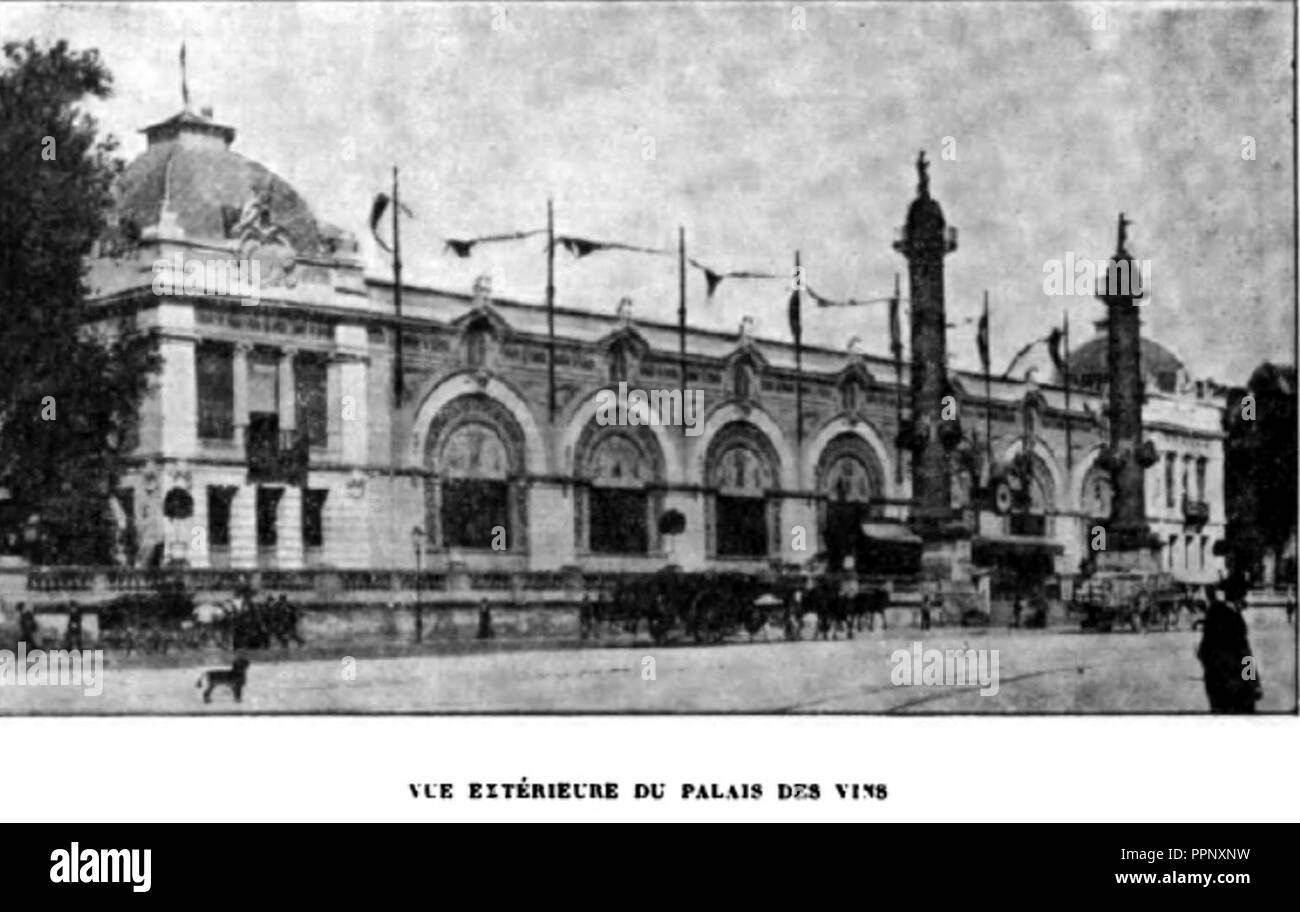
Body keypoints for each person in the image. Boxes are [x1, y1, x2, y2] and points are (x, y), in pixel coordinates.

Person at [1196, 587, 1262, 713]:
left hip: (1216, 685)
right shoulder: (1236, 620)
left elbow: (1202, 652)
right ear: (1238, 600)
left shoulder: (1212, 617)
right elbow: (1245, 655)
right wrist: (1254, 684)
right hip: (1239, 687)